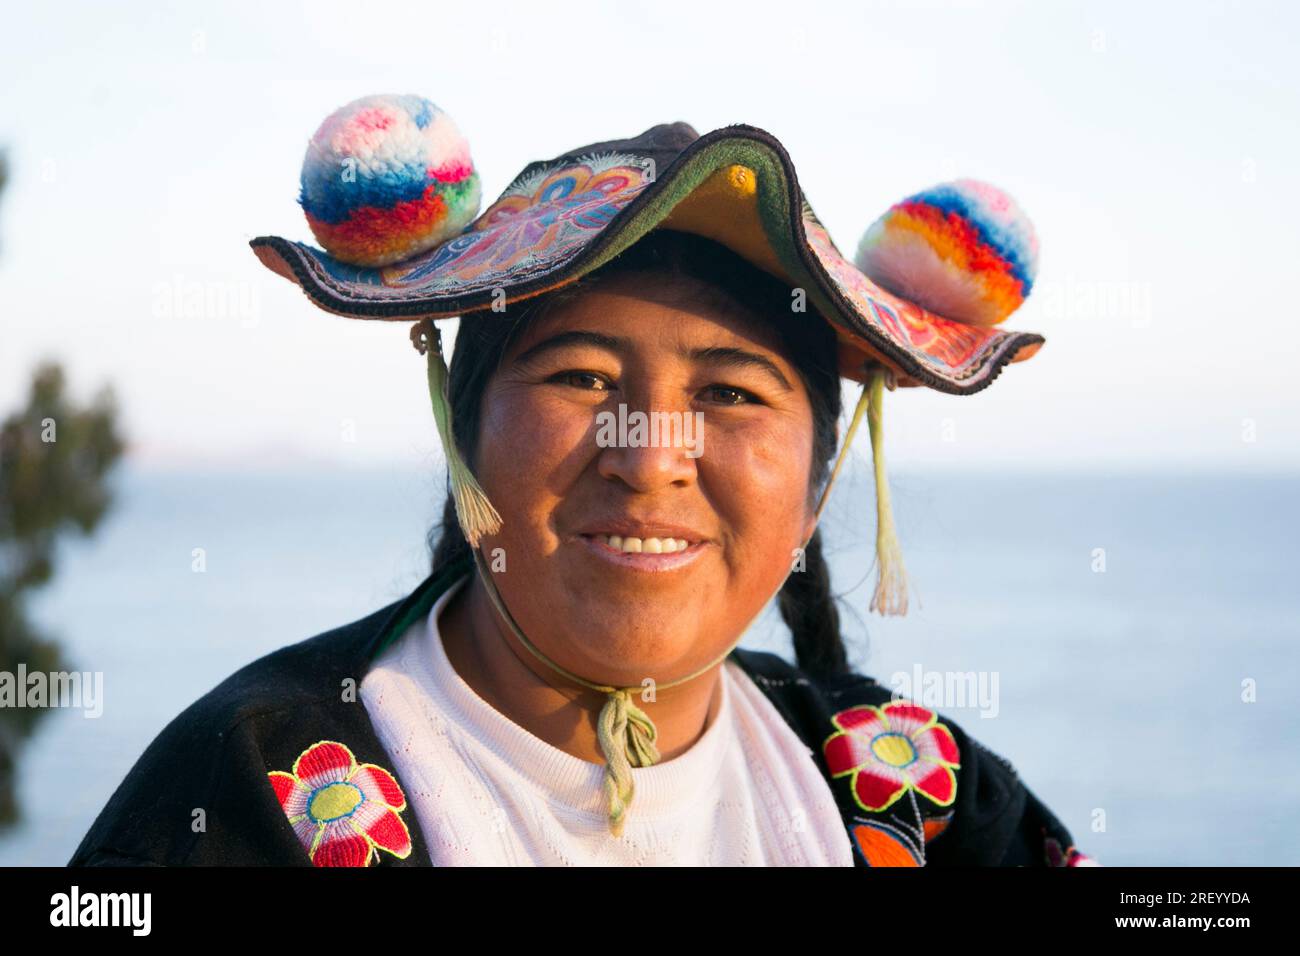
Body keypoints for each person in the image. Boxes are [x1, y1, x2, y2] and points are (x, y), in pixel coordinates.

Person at [69, 97, 1097, 867]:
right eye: (580, 376)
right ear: (463, 431)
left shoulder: (918, 790)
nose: (649, 454)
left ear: (819, 479)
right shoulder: (258, 785)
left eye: (734, 392)